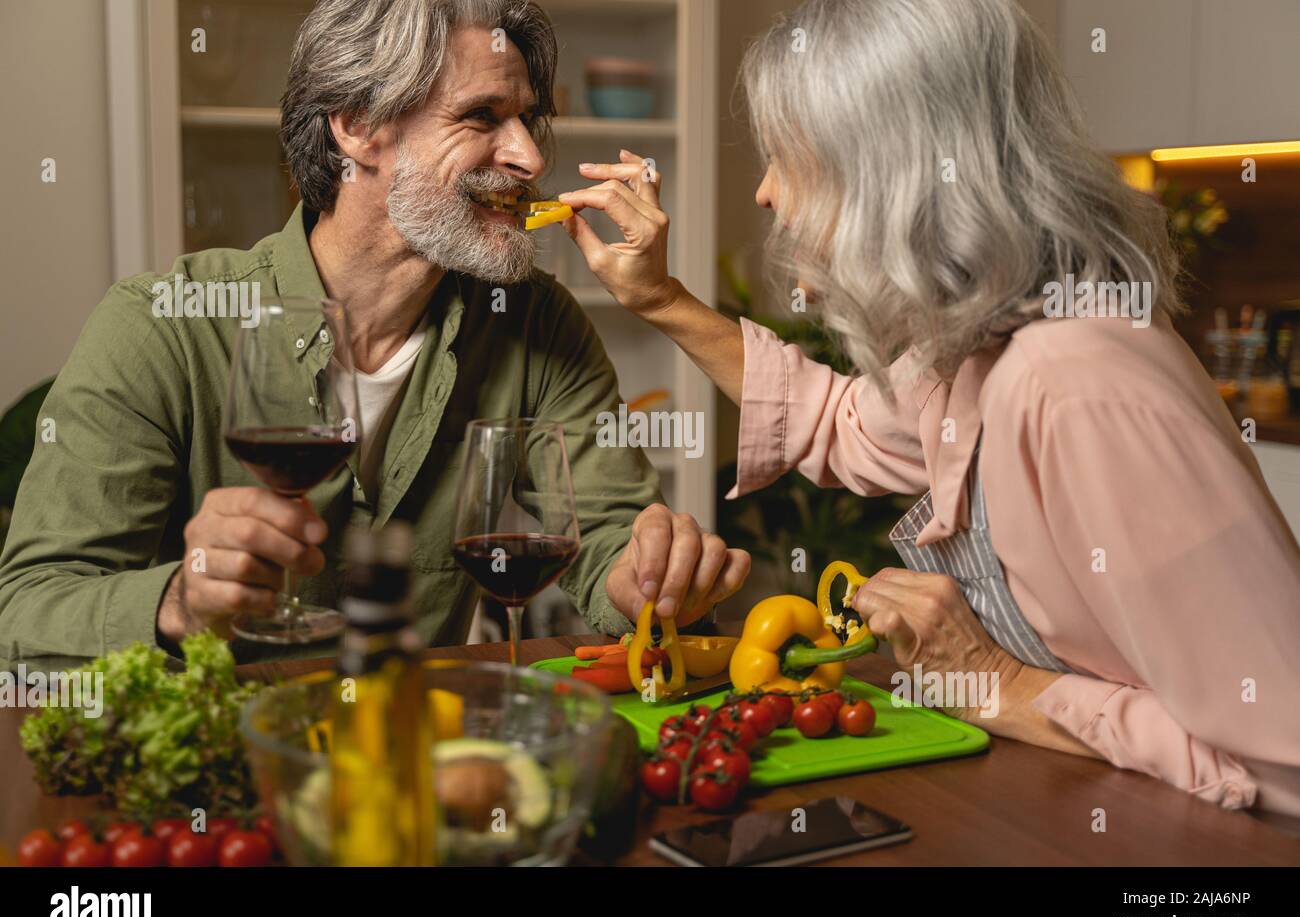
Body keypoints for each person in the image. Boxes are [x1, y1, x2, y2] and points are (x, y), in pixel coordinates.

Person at [558, 0, 1300, 814]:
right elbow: (836, 426)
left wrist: (999, 683)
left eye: (786, 156)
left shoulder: (1077, 386)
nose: (766, 194)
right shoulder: (984, 345)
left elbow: (1277, 762)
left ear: (885, 165)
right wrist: (659, 297)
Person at [0, 0, 748, 671]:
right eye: (483, 117)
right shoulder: (162, 325)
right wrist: (179, 601)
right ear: (357, 126)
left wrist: (652, 574)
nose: (531, 159)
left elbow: (612, 538)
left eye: (528, 118)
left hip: (416, 765)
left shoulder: (534, 319)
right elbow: (25, 612)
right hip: (209, 784)